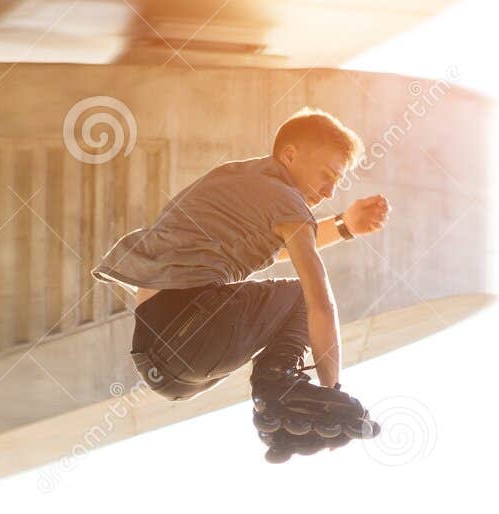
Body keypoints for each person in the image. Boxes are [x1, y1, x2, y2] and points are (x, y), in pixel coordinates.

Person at [92, 107, 389, 462]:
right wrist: (333, 391)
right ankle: (276, 387)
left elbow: (274, 249)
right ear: (290, 155)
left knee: (282, 308)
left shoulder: (242, 182)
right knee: (297, 296)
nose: (328, 193)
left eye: (337, 184)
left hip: (162, 359)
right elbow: (318, 301)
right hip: (188, 338)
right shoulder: (284, 199)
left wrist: (346, 226)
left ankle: (278, 417)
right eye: (327, 175)